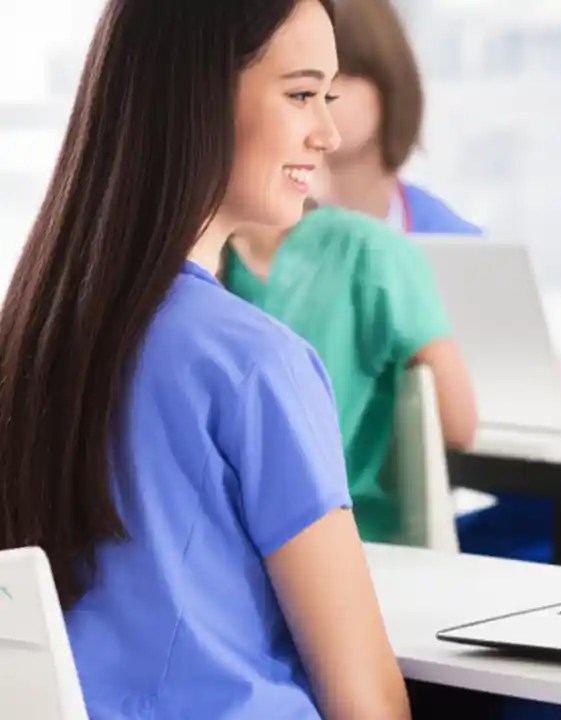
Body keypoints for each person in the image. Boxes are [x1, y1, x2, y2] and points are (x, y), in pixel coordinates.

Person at [0, 1, 409, 717]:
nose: (328, 132)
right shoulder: (254, 365)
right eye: (302, 94)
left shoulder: (29, 342)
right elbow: (367, 702)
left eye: (330, 97)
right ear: (198, 96)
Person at [223, 205, 478, 543]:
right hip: (298, 541)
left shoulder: (369, 250)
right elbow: (459, 423)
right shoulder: (370, 251)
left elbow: (459, 426)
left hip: (334, 548)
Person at [320, 0, 480, 234]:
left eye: (336, 71)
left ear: (386, 82)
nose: (314, 95)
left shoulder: (455, 242)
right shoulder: (255, 238)